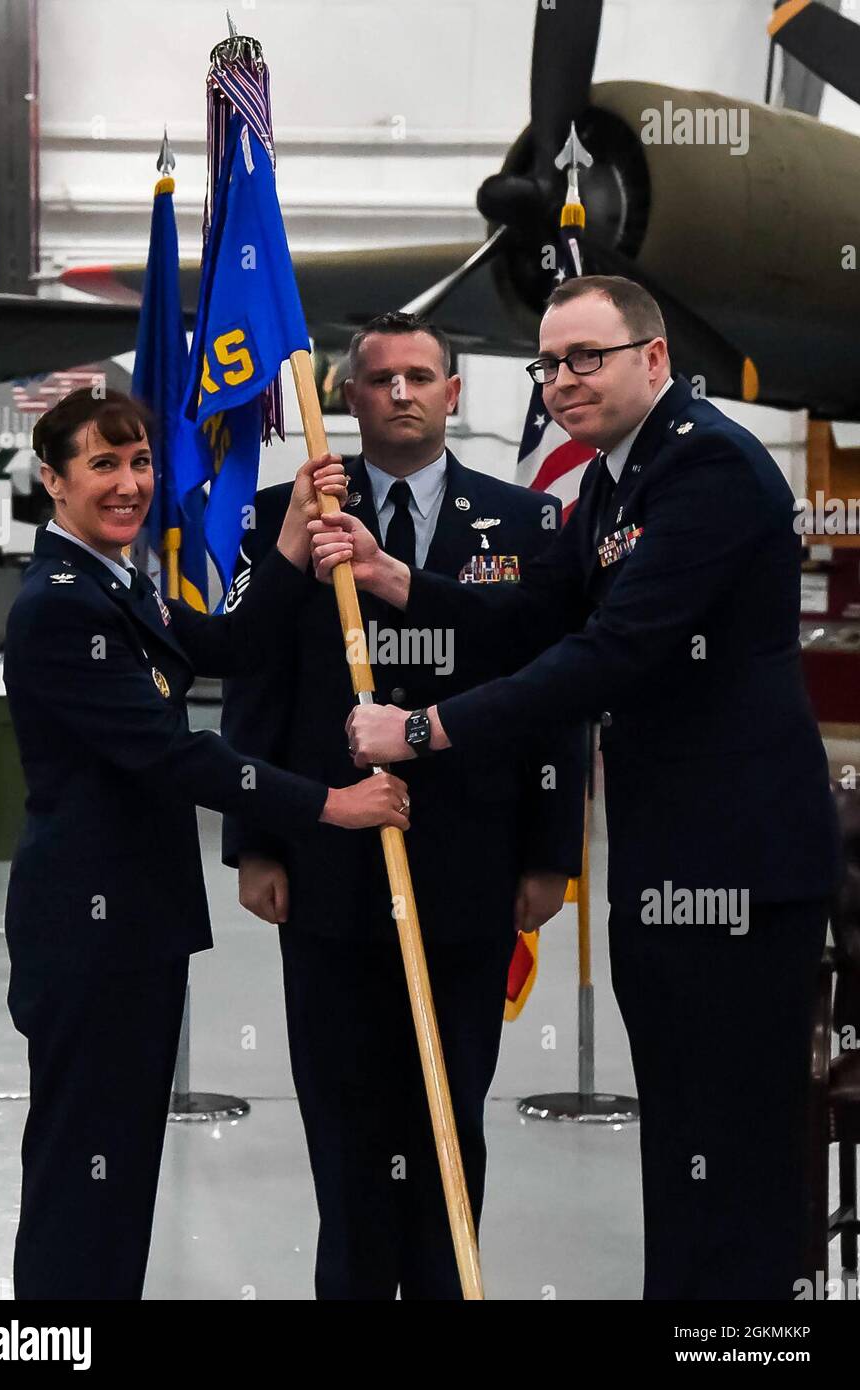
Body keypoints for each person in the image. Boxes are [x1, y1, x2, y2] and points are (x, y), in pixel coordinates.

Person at [314, 278, 842, 1301]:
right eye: (547, 364)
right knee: (684, 1137)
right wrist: (398, 584)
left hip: (736, 872)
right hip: (664, 860)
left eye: (584, 357)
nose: (559, 381)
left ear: (652, 358)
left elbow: (609, 653)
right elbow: (536, 608)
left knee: (732, 1149)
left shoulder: (707, 470)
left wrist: (423, 729)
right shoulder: (615, 477)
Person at [3, 386, 409, 1300]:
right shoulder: (61, 607)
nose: (129, 483)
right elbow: (172, 756)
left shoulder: (117, 583)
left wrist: (292, 541)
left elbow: (229, 645)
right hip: (89, 930)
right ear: (53, 481)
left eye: (140, 461)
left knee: (118, 1170)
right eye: (103, 464)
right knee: (85, 1170)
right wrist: (329, 808)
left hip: (133, 928)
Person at [221, 312, 586, 1299]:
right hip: (328, 862)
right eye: (380, 379)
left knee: (446, 1109)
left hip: (469, 866)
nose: (401, 394)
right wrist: (256, 839)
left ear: (454, 394)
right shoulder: (277, 519)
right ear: (347, 396)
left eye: (422, 376)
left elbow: (552, 692)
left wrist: (550, 851)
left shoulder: (521, 526)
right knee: (343, 1122)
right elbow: (256, 685)